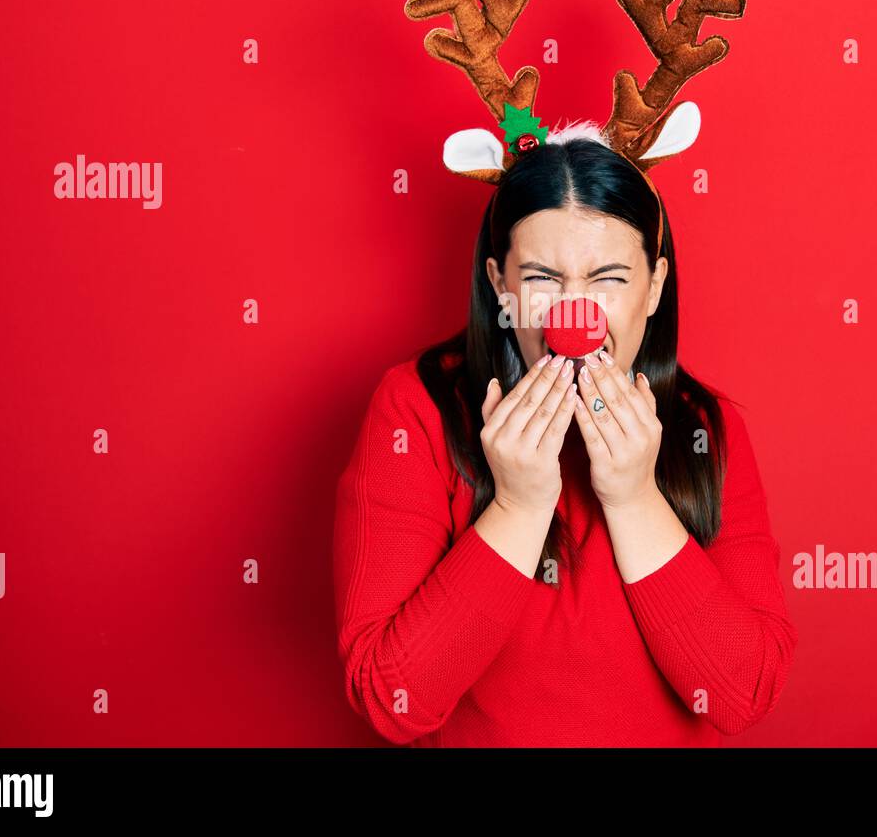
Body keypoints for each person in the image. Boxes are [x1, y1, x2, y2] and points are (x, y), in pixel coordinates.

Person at [332, 127, 799, 746]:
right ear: (500, 285)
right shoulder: (414, 410)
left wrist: (635, 499)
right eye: (543, 280)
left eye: (608, 278)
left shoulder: (704, 430)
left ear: (655, 287)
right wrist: (517, 506)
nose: (572, 319)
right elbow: (395, 699)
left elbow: (743, 693)